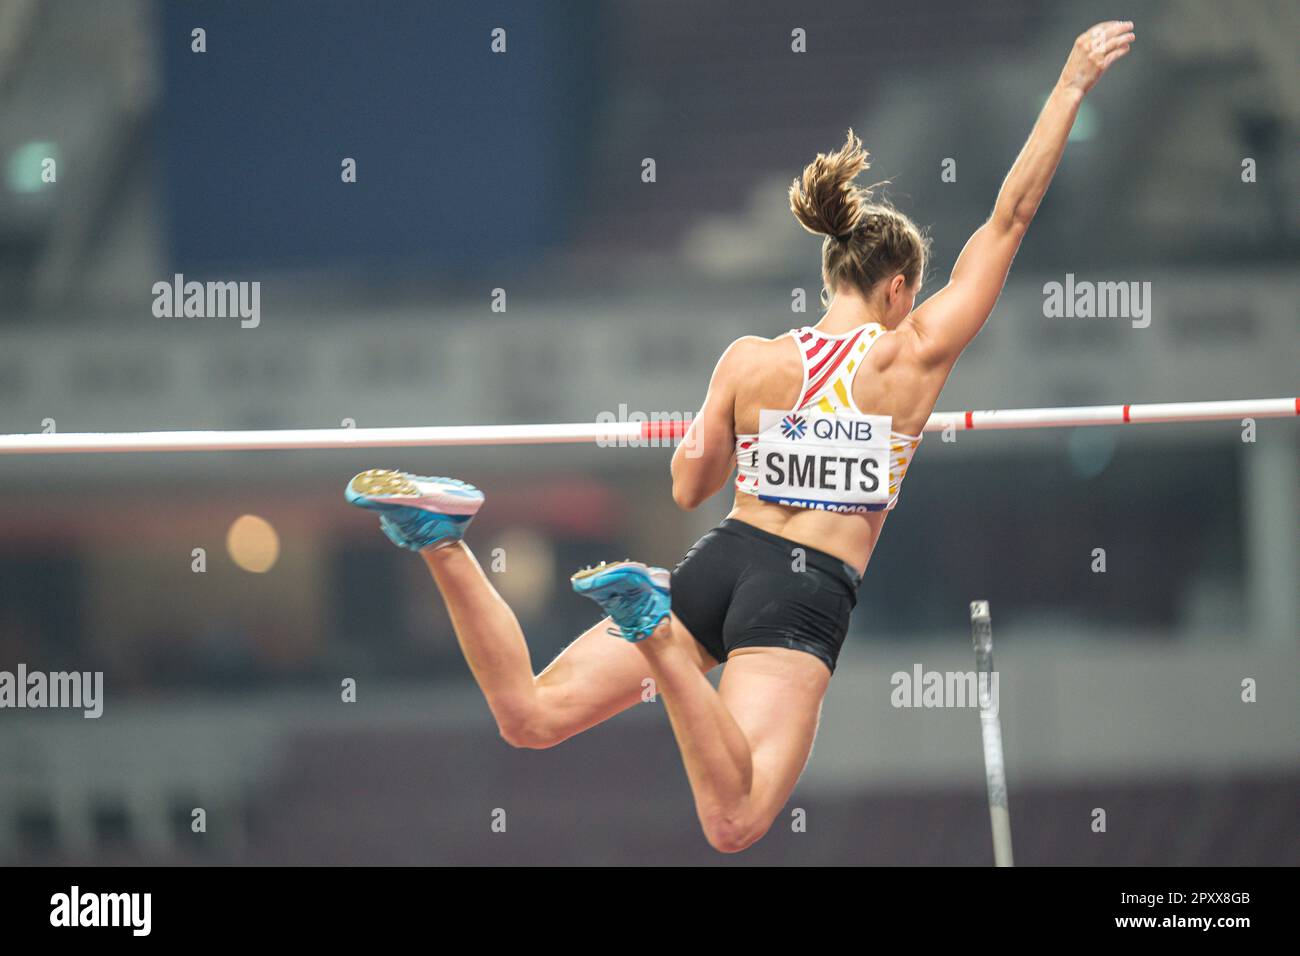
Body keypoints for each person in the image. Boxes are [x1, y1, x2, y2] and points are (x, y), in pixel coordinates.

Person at [345, 20, 1135, 853]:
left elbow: (689, 488)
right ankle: (653, 632)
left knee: (530, 718)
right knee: (734, 820)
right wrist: (1071, 83)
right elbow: (1008, 219)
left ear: (831, 274)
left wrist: (724, 440)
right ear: (900, 290)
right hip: (803, 594)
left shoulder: (750, 363)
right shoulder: (913, 355)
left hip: (720, 563)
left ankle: (439, 538)